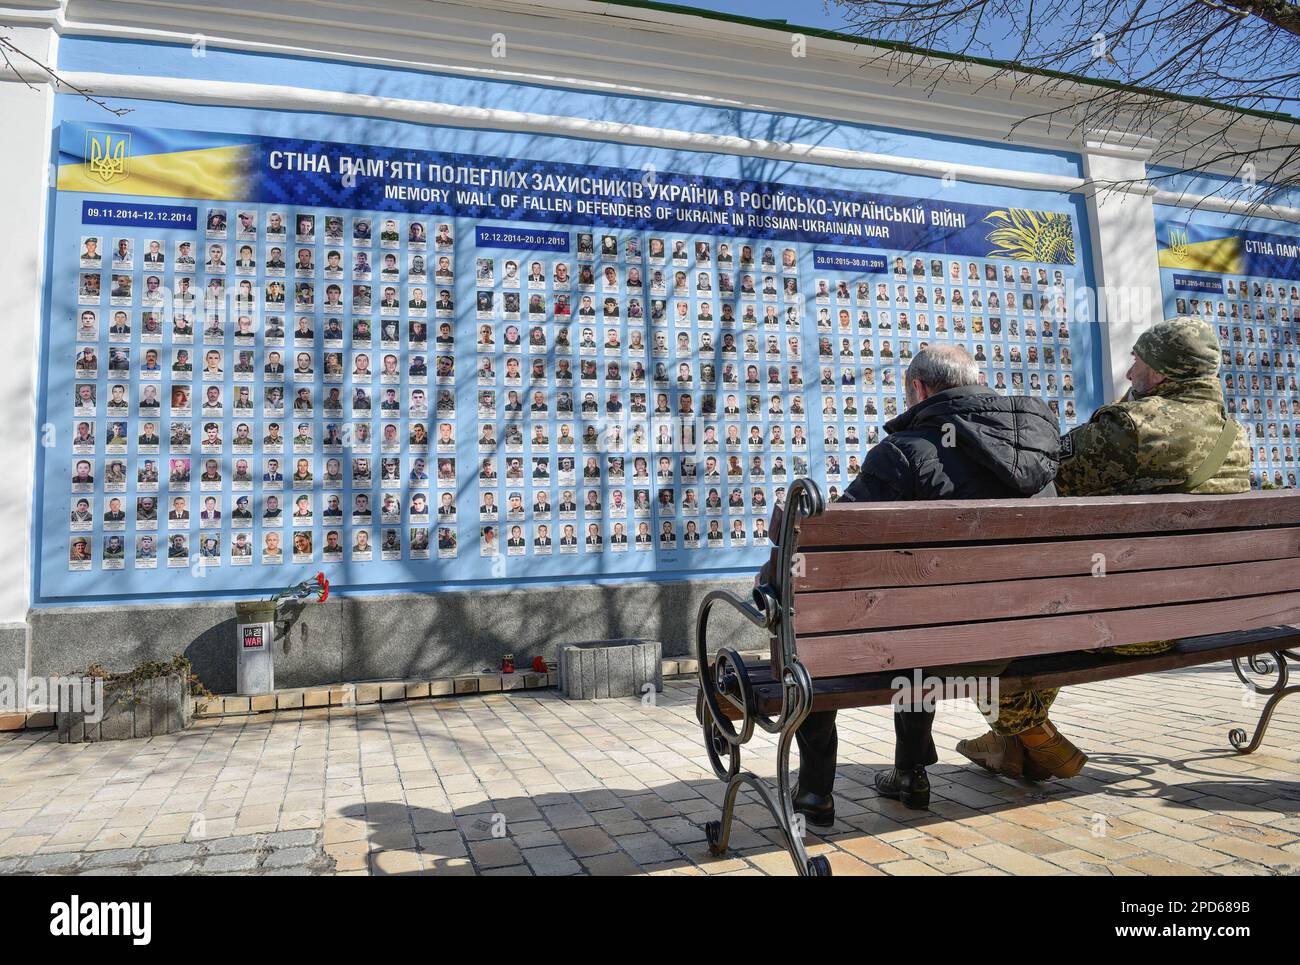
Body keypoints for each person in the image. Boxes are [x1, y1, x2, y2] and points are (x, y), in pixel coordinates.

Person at [956, 316, 1252, 782]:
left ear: (1160, 374)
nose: (1130, 372)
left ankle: (1033, 735)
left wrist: (1119, 413)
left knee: (986, 636)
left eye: (1137, 361)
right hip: (1187, 618)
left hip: (1119, 623)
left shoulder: (1129, 426)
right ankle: (1010, 747)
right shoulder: (1235, 438)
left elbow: (1046, 474)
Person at [790, 345, 1060, 824]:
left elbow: (829, 552)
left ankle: (816, 791)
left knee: (815, 630)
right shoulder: (1037, 448)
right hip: (1029, 640)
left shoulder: (902, 453)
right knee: (921, 627)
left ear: (919, 389)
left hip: (933, 642)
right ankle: (910, 771)